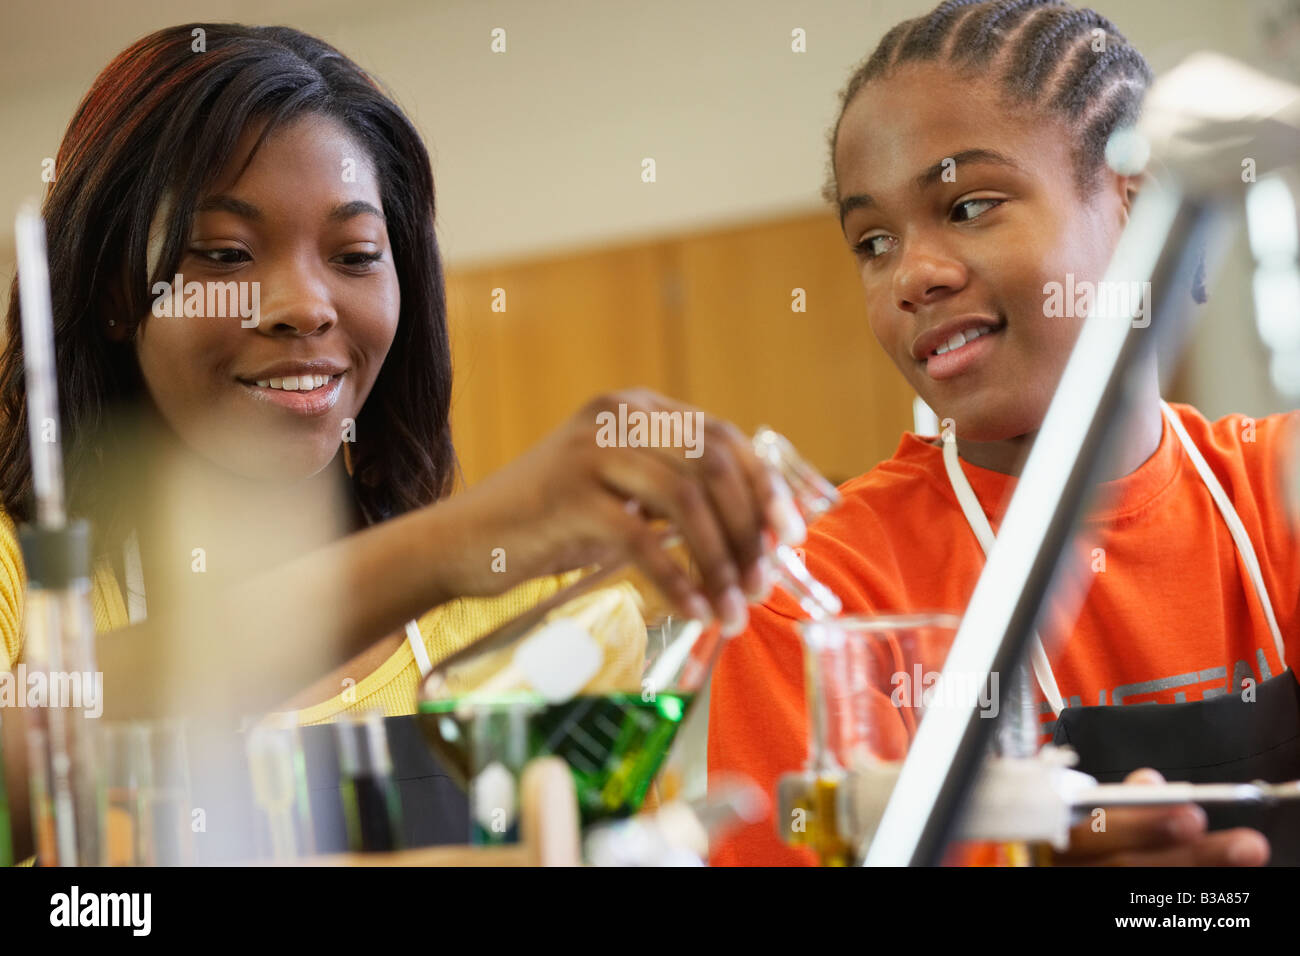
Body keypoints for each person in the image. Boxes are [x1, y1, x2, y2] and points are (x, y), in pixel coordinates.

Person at [0, 23, 804, 863]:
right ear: (115, 293)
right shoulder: (24, 584)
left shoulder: (540, 621)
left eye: (354, 254)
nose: (305, 305)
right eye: (225, 252)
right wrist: (451, 544)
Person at [709, 0, 1298, 867]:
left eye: (970, 205)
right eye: (872, 241)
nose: (911, 275)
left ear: (1135, 206)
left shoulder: (1279, 492)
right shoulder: (814, 600)